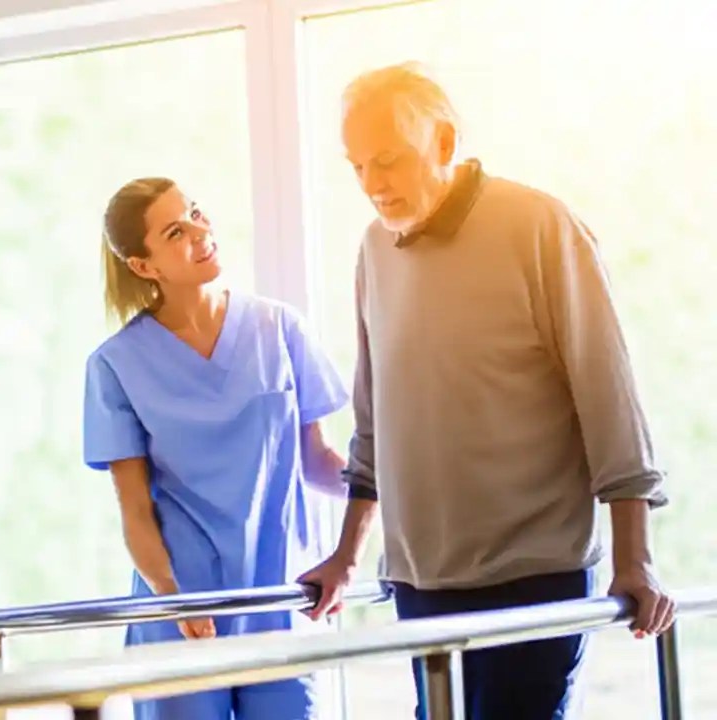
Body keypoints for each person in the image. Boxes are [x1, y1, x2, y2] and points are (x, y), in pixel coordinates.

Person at [297, 62, 675, 720]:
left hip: (535, 571)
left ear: (443, 143)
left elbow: (608, 395)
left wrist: (634, 557)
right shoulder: (373, 248)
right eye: (356, 166)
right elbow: (374, 416)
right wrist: (347, 554)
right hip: (421, 577)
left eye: (388, 160)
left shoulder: (538, 224)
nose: (371, 184)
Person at [83, 177, 350, 720]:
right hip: (183, 612)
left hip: (278, 608)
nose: (202, 232)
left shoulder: (279, 329)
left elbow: (318, 461)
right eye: (177, 231)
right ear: (144, 266)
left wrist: (390, 487)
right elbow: (135, 511)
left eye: (197, 214)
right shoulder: (115, 365)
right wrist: (170, 594)